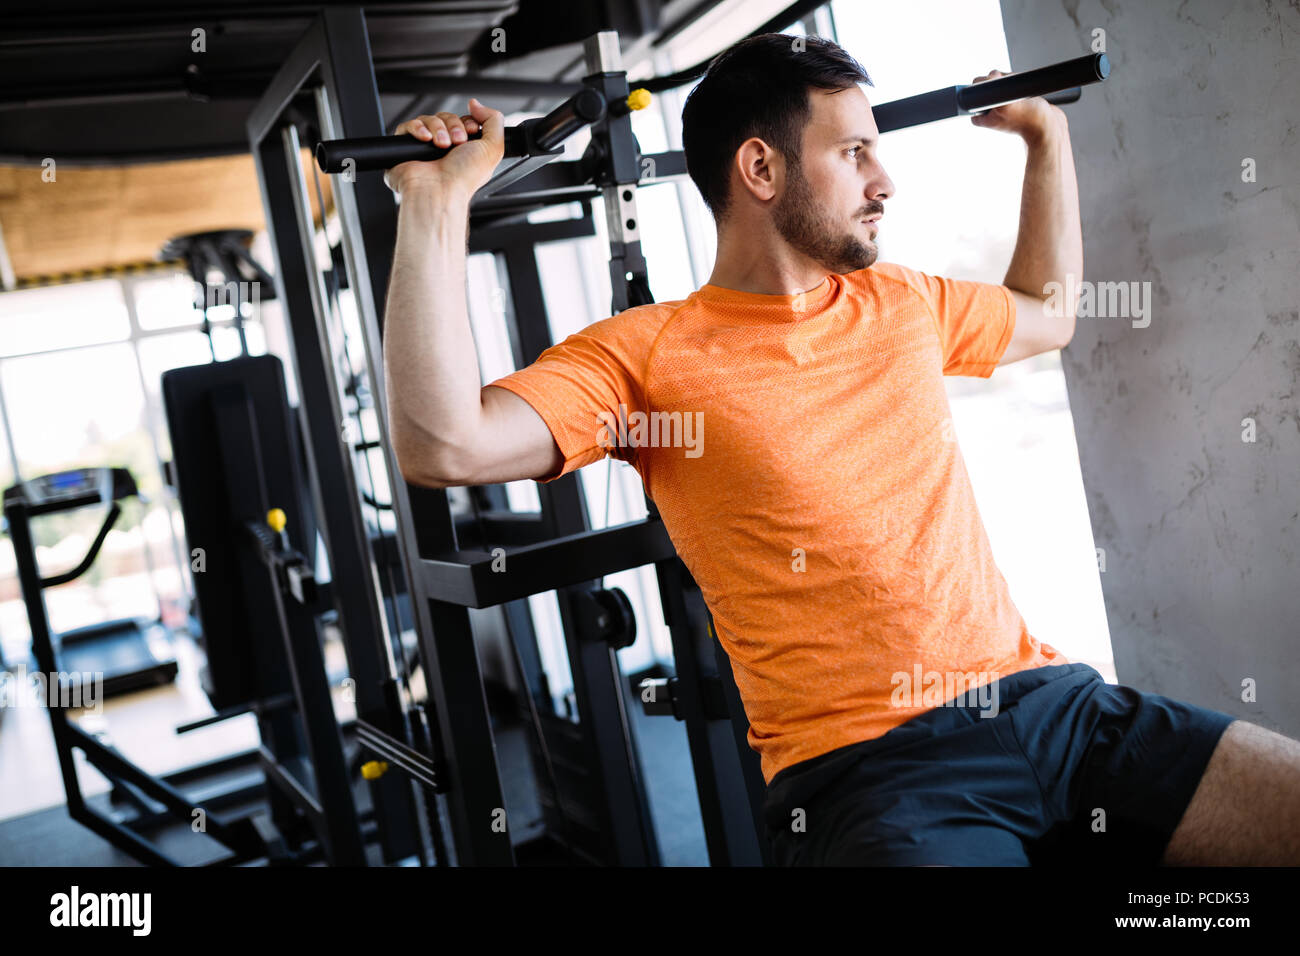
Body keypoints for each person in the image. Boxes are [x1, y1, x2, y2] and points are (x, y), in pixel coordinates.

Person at [379, 33, 1300, 865]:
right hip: (873, 771)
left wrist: (1043, 138)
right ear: (761, 168)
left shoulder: (898, 303)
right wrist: (434, 204)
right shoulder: (644, 358)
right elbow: (446, 444)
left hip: (1053, 705)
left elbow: (1051, 313)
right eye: (855, 151)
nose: (884, 181)